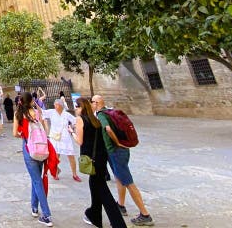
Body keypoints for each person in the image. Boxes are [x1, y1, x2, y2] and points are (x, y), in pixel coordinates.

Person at [92, 95, 153, 226]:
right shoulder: (109, 111)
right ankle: (121, 205)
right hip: (119, 151)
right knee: (119, 178)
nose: (91, 104)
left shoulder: (102, 115)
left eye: (92, 101)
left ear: (97, 103)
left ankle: (145, 214)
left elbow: (107, 129)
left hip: (116, 151)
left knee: (128, 182)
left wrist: (117, 142)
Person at [72, 97, 126, 228]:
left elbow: (79, 141)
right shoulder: (95, 119)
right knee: (94, 185)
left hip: (92, 159)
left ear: (82, 107)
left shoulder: (81, 119)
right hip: (101, 158)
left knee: (102, 190)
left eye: (77, 107)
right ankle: (94, 215)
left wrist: (71, 132)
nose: (75, 109)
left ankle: (118, 223)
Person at [14, 91, 53, 226]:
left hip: (29, 148)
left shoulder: (19, 115)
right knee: (36, 178)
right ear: (31, 101)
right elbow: (44, 127)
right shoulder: (37, 112)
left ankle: (47, 215)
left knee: (37, 181)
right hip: (42, 148)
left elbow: (15, 133)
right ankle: (34, 207)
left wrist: (24, 134)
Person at [47, 98, 81, 182]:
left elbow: (75, 122)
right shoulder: (51, 112)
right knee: (55, 157)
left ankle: (74, 174)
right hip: (55, 138)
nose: (55, 106)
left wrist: (72, 129)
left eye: (57, 104)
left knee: (71, 156)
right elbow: (41, 112)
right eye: (55, 104)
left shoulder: (66, 114)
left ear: (61, 105)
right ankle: (55, 172)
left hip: (65, 138)